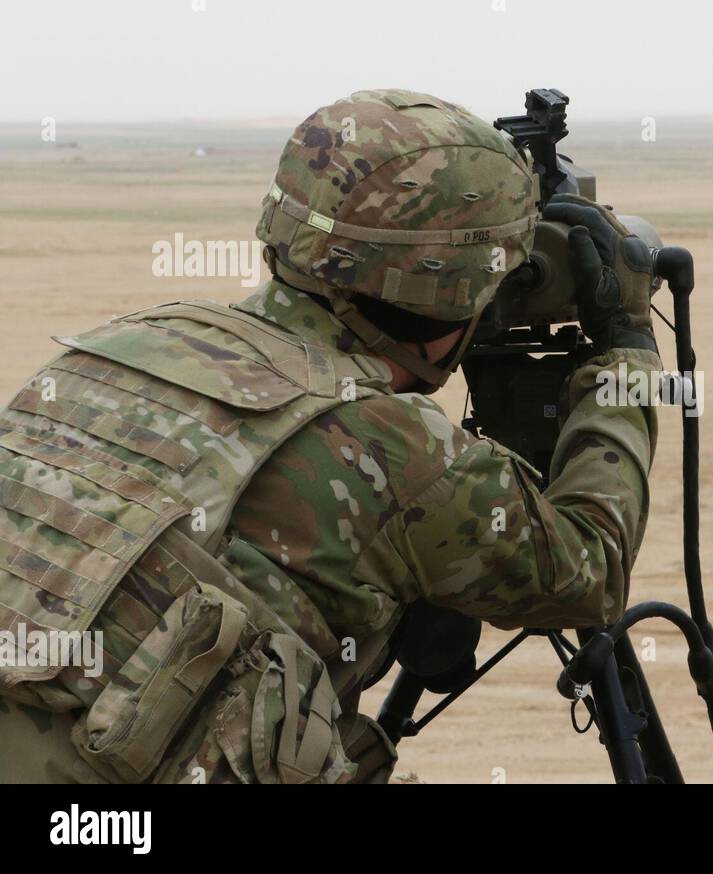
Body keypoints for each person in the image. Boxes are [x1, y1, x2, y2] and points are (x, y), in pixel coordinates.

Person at [0, 89, 660, 783]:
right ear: (461, 288)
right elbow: (590, 573)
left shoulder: (119, 347)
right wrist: (626, 355)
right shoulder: (398, 450)